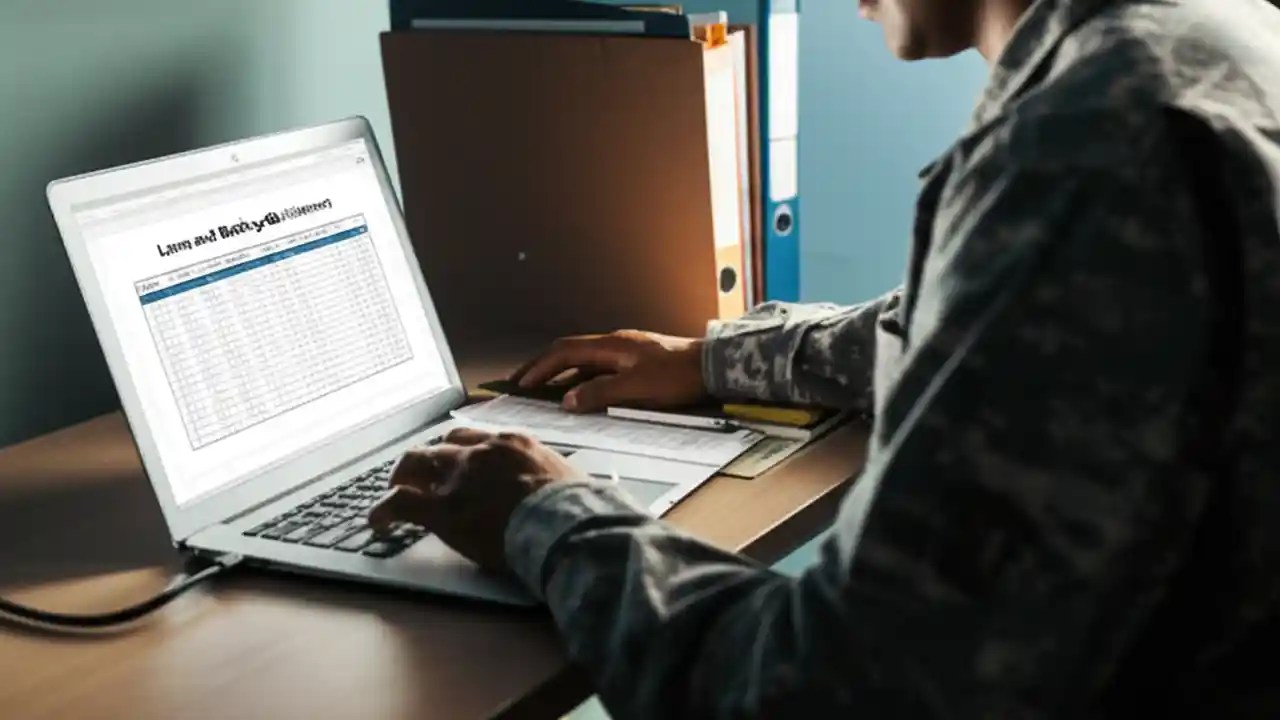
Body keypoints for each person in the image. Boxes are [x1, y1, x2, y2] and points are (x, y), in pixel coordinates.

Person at [370, 0, 1280, 716]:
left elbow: (823, 689)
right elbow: (989, 332)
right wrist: (719, 358)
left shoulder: (1085, 150)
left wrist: (544, 514)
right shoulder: (1207, 40)